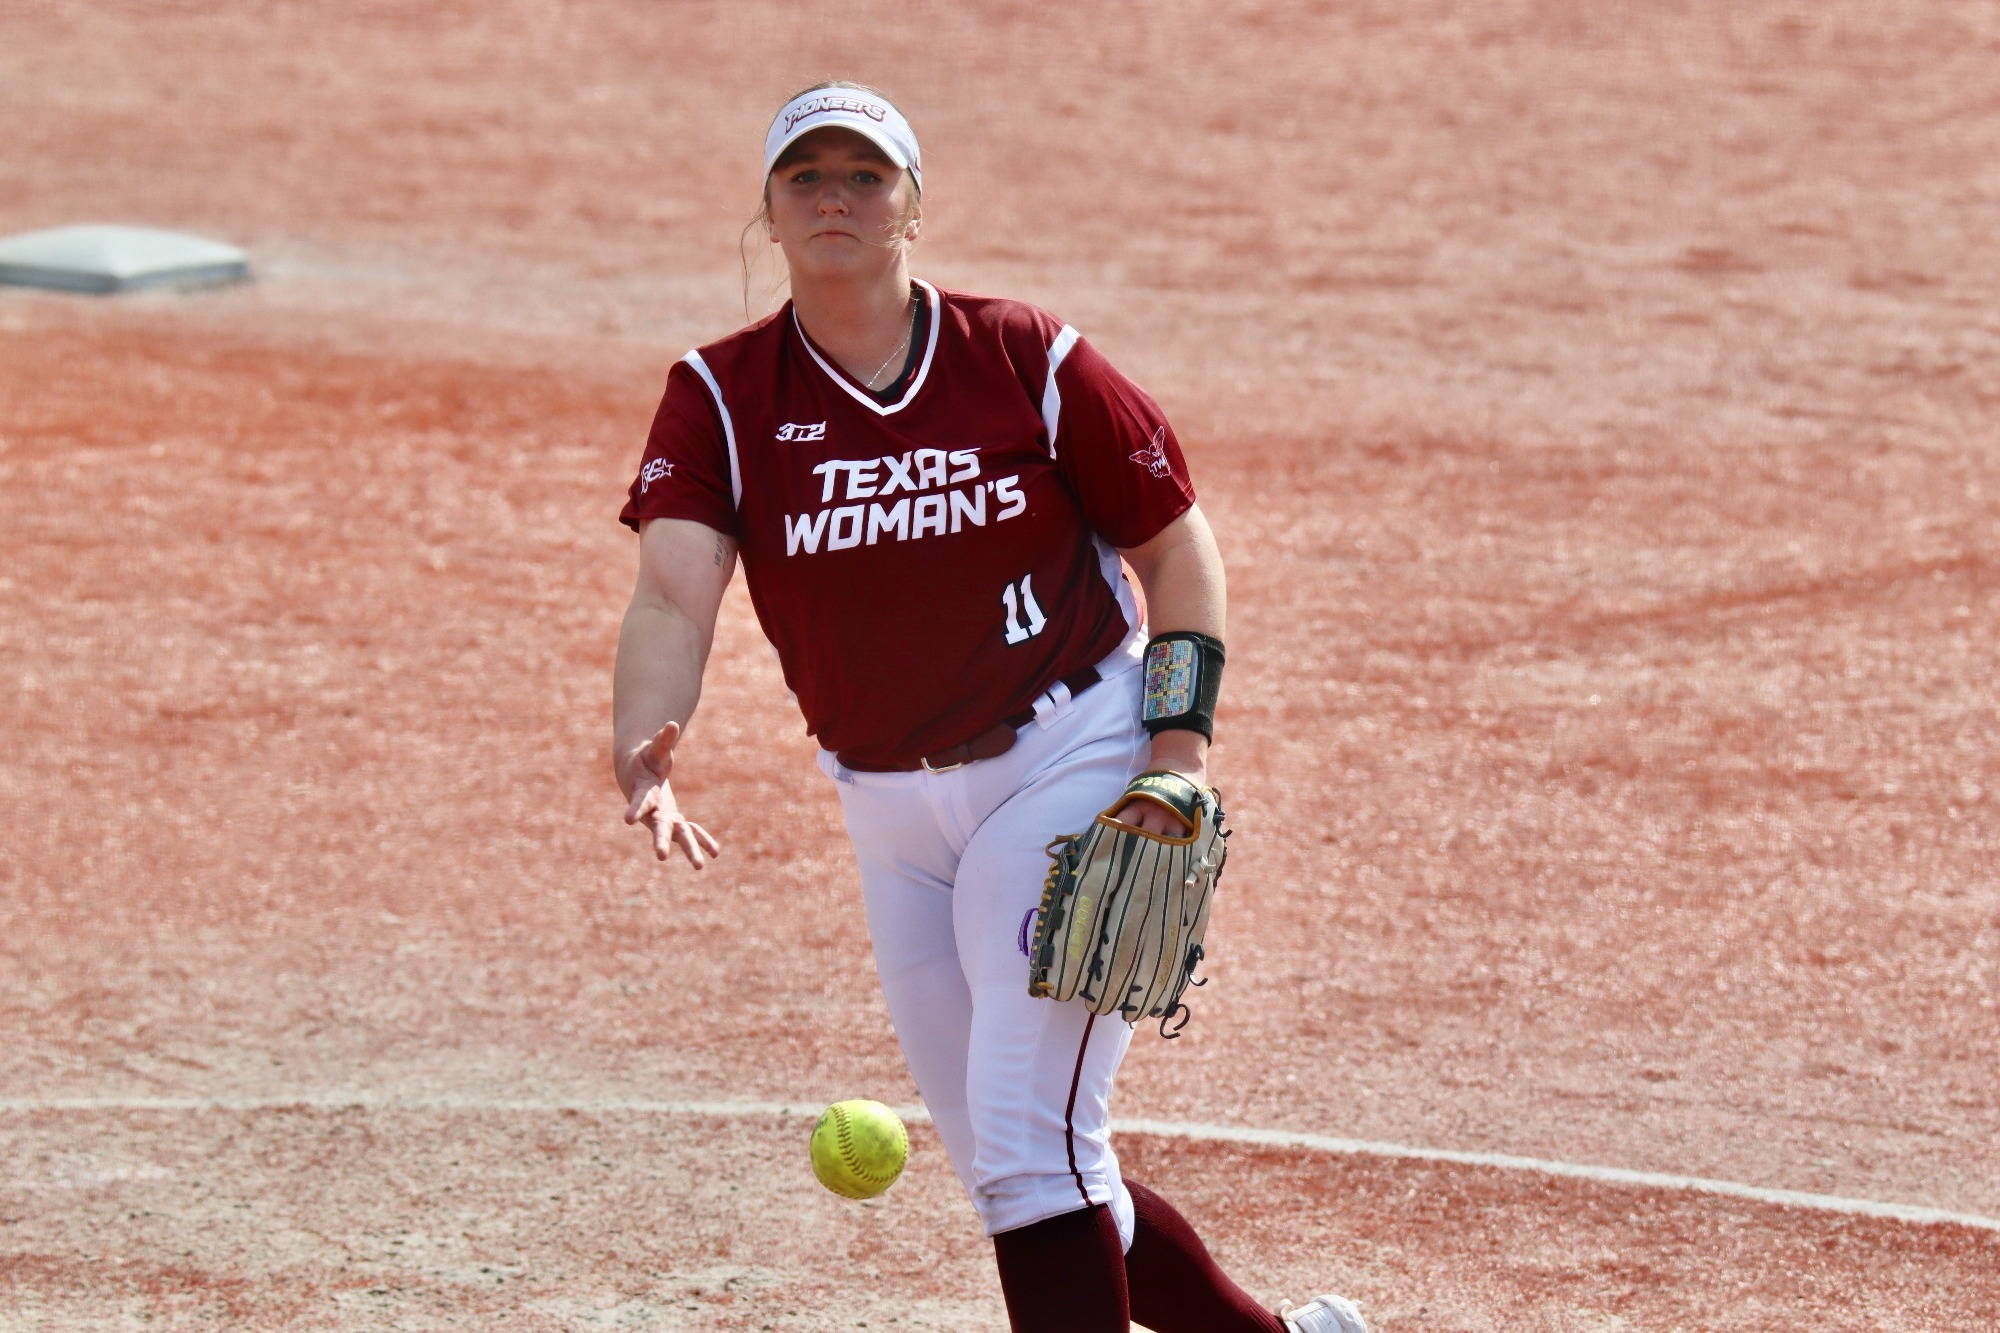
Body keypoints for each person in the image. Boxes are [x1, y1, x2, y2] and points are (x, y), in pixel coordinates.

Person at [611, 81, 1368, 1333]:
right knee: (1029, 1169)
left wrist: (1174, 757)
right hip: (886, 811)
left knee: (1031, 1155)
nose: (835, 197)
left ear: (912, 205)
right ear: (769, 210)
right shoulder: (720, 394)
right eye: (806, 177)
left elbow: (1177, 556)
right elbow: (670, 597)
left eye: (865, 174)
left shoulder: (1022, 356)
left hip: (1066, 759)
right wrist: (644, 741)